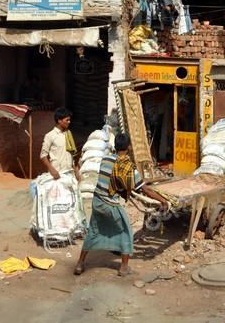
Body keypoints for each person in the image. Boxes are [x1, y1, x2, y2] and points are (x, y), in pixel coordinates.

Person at [74, 133, 168, 276]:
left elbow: (112, 179)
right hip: (109, 203)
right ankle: (124, 267)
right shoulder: (128, 167)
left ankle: (80, 264)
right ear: (129, 147)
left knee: (93, 231)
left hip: (97, 201)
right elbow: (145, 189)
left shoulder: (105, 159)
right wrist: (162, 200)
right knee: (126, 232)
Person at [40, 107, 77, 181]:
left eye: (69, 120)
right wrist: (52, 170)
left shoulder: (68, 134)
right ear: (59, 120)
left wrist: (76, 170)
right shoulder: (50, 135)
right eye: (67, 120)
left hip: (69, 172)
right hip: (57, 173)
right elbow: (43, 155)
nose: (69, 122)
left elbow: (71, 154)